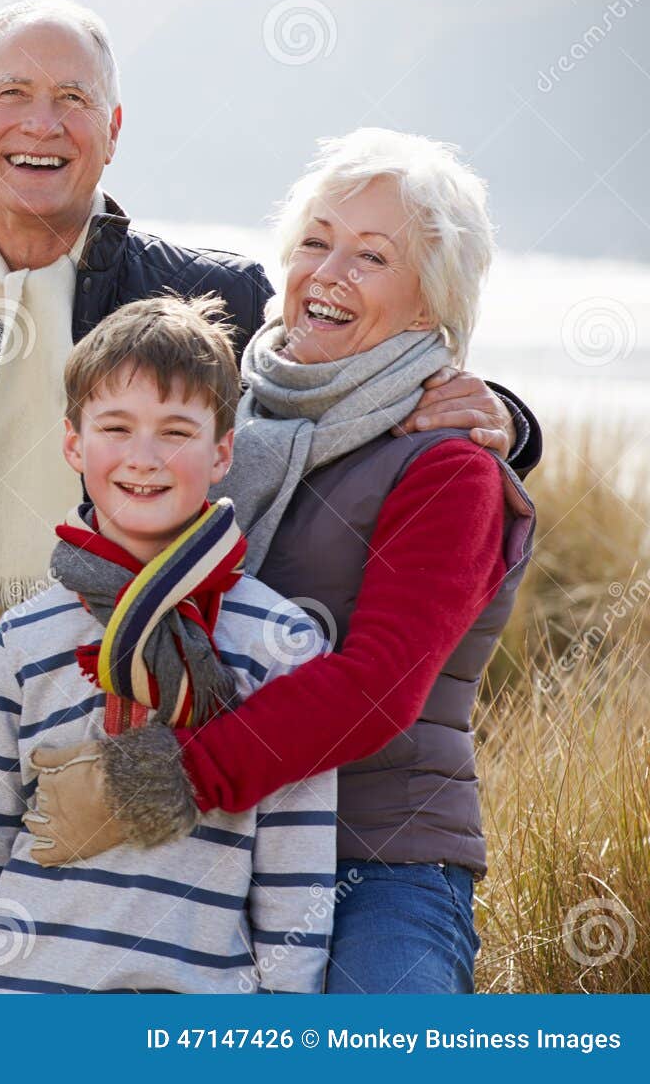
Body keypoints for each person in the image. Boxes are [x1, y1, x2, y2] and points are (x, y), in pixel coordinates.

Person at [0, 0, 542, 991]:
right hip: (27, 783)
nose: (41, 123)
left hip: (332, 844)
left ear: (113, 131)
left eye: (73, 99)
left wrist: (505, 415)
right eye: (10, 94)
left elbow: (378, 669)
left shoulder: (209, 311)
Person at [27, 128, 535, 993]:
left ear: (429, 302)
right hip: (212, 851)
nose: (328, 273)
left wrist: (163, 784)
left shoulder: (452, 467)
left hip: (376, 862)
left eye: (372, 255)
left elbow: (374, 688)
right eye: (315, 241)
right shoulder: (223, 429)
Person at [0, 295, 335, 992]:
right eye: (116, 426)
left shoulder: (282, 644)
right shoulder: (23, 639)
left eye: (177, 430)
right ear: (74, 443)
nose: (144, 457)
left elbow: (295, 880)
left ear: (223, 449)